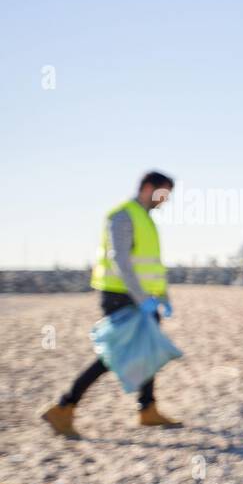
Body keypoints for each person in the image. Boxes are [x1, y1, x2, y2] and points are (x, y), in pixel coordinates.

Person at [41, 171, 181, 438]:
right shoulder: (123, 214)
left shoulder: (146, 219)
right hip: (121, 296)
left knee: (148, 349)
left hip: (143, 298)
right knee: (112, 356)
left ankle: (147, 409)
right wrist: (143, 300)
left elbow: (151, 265)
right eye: (163, 193)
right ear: (147, 187)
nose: (165, 200)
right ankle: (64, 406)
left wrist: (163, 297)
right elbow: (121, 260)